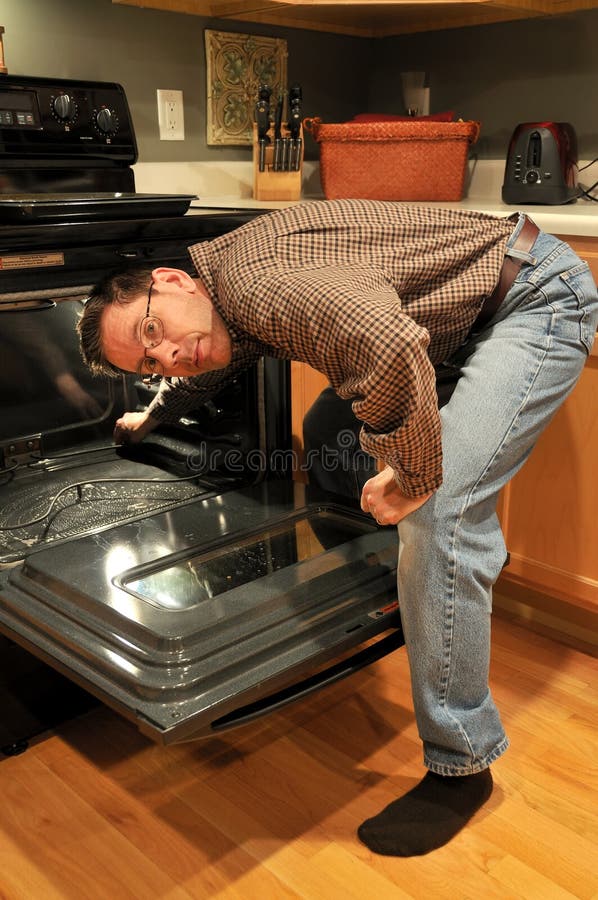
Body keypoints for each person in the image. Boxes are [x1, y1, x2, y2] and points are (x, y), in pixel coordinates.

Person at [77, 199, 598, 856]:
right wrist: (149, 416)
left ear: (174, 280)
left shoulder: (263, 288)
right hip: (454, 315)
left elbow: (388, 343)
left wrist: (411, 472)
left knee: (441, 515)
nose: (170, 354)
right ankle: (402, 594)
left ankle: (462, 764)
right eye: (149, 364)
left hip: (532, 298)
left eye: (152, 331)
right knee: (327, 431)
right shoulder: (220, 292)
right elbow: (205, 361)